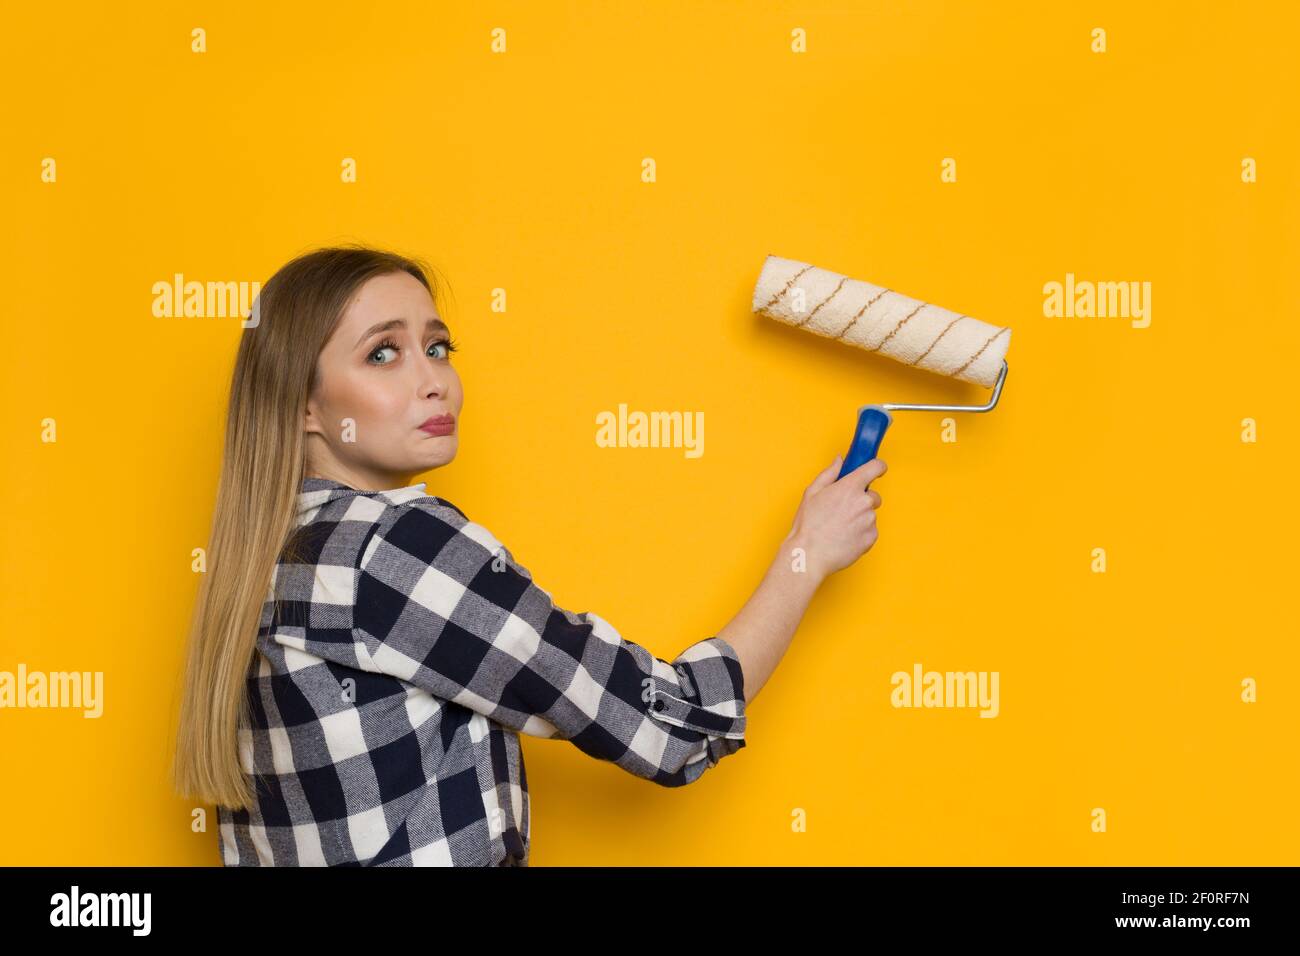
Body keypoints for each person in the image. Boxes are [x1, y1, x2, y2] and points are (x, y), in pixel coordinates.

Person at [170, 244, 886, 866]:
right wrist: (807, 553)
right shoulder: (395, 551)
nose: (433, 379)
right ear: (303, 404)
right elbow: (668, 727)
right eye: (382, 352)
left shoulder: (272, 556)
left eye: (438, 346)